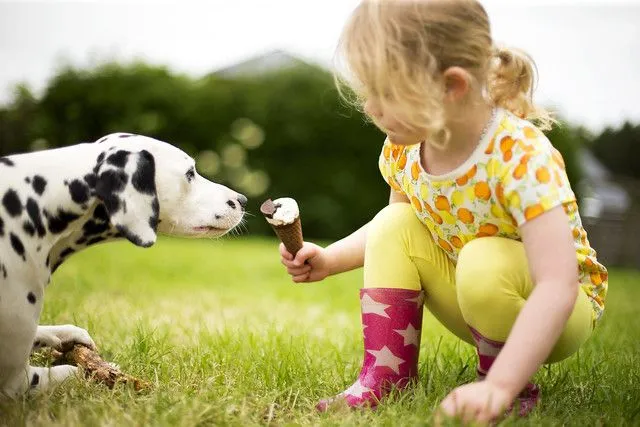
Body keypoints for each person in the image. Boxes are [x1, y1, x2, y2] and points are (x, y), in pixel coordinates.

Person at [278, 0, 608, 422]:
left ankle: (507, 386)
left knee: (483, 258)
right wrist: (330, 258)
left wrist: (499, 385)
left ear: (451, 86)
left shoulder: (518, 155)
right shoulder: (405, 147)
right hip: (475, 298)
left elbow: (557, 286)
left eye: (384, 93)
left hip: (558, 312)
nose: (369, 107)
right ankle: (386, 377)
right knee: (395, 220)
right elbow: (394, 234)